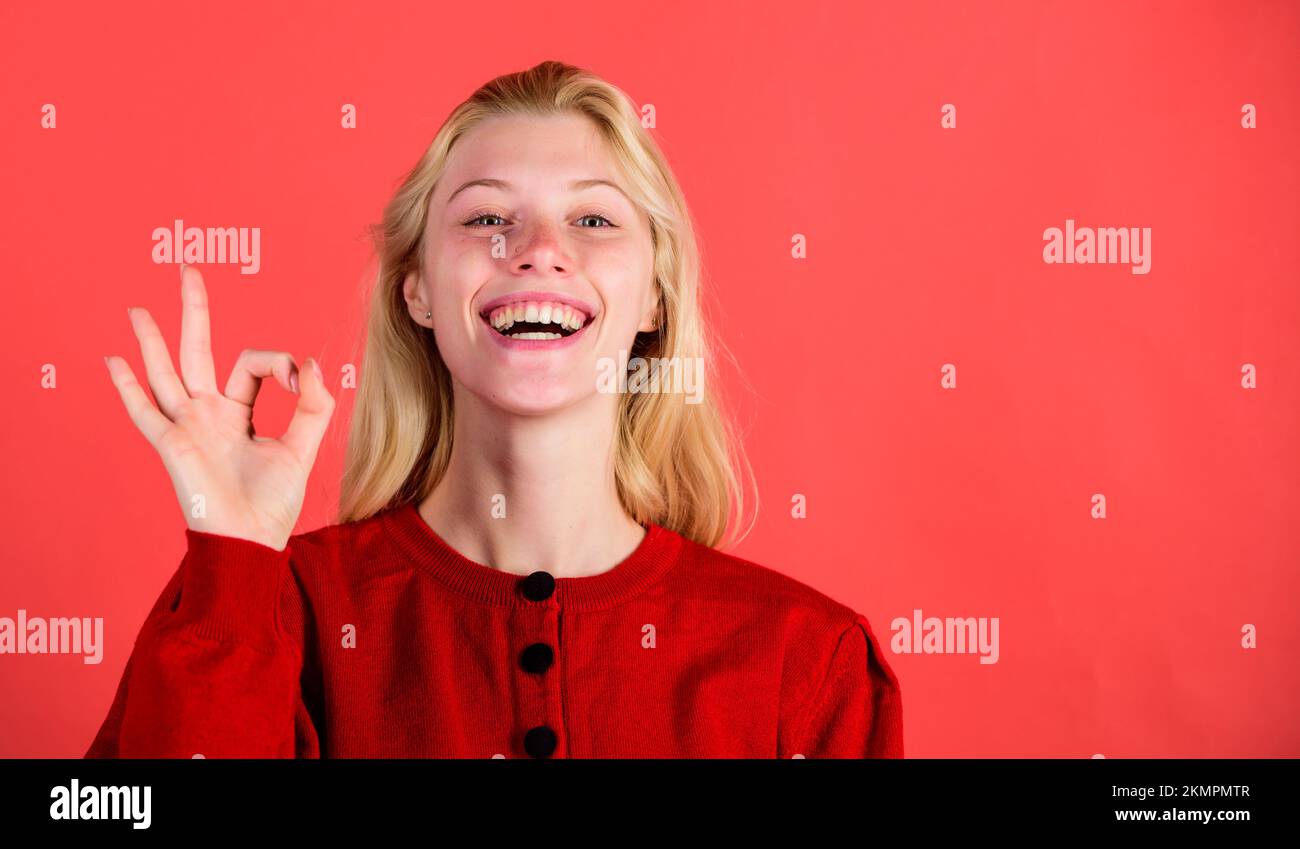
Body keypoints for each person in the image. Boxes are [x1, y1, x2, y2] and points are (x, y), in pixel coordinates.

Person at [87, 60, 902, 758]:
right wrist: (232, 565)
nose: (540, 246)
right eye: (485, 217)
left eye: (592, 218)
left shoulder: (807, 657)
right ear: (418, 291)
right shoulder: (267, 608)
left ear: (653, 296)